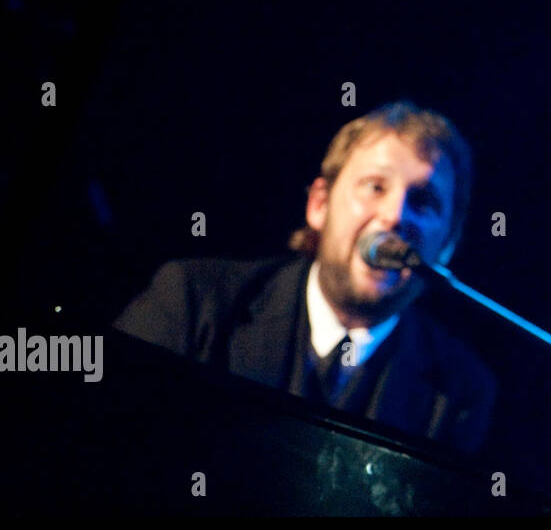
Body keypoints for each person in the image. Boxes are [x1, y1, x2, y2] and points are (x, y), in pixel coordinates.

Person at [115, 101, 496, 456]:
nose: (396, 215)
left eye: (424, 201)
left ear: (447, 245)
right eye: (376, 186)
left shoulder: (460, 392)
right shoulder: (194, 301)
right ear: (320, 205)